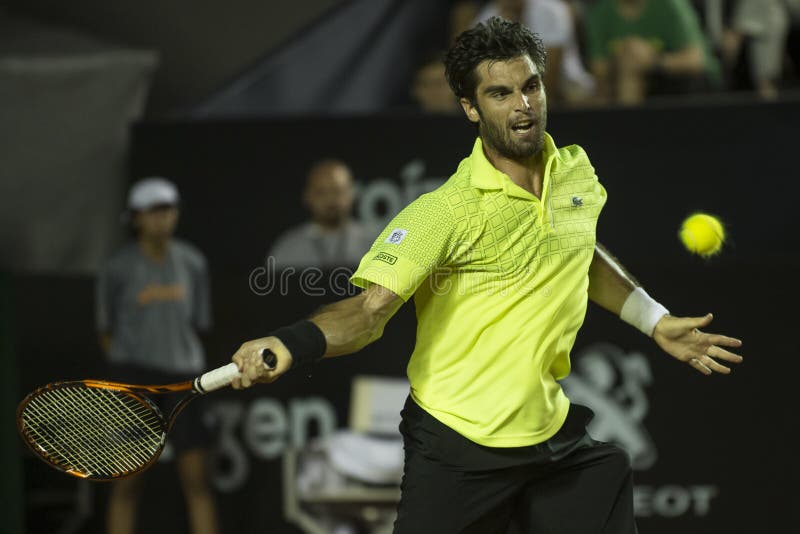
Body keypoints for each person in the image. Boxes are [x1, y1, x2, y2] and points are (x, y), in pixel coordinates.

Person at [231, 17, 743, 533]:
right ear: (471, 108)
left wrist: (653, 320)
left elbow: (579, 252)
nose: (522, 105)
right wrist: (289, 343)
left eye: (531, 86)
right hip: (458, 445)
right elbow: (367, 313)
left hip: (548, 437)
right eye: (500, 94)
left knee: (607, 470)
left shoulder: (576, 172)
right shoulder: (442, 213)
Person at [96, 177, 219, 534]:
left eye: (168, 209)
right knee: (127, 483)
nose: (162, 218)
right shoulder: (117, 268)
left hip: (185, 377)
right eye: (153, 211)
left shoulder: (193, 262)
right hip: (135, 379)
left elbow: (200, 322)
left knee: (197, 481)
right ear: (135, 218)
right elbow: (105, 329)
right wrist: (128, 368)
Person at [584, 0, 722, 104]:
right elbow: (598, 68)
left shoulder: (671, 5)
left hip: (680, 82)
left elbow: (696, 60)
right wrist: (626, 56)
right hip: (623, 80)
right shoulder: (600, 13)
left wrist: (652, 61)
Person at [470, 0, 597, 106]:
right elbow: (477, 65)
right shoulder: (489, 15)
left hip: (567, 82)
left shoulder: (551, 10)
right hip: (514, 82)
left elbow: (551, 68)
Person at [267, 159, 377, 269]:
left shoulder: (374, 245)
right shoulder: (287, 248)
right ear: (307, 196)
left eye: (337, 191)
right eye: (321, 192)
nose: (330, 200)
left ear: (351, 193)